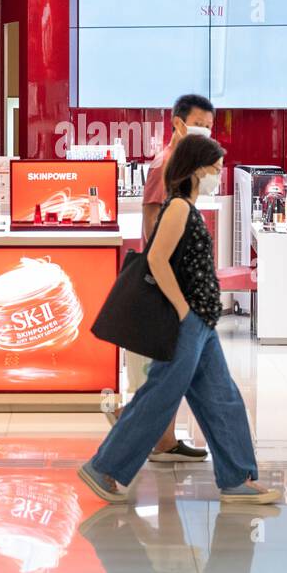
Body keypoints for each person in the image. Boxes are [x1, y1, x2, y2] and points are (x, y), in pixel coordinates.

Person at [79, 134, 282, 506]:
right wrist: (183, 309)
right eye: (214, 169)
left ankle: (238, 477)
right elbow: (157, 260)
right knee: (159, 396)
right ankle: (105, 467)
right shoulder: (178, 209)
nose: (218, 177)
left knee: (223, 399)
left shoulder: (185, 208)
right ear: (195, 169)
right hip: (188, 320)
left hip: (201, 322)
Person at [106, 93, 216, 464]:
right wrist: (170, 272)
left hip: (173, 278)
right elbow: (154, 223)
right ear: (179, 124)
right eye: (201, 125)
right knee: (159, 366)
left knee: (168, 363)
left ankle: (164, 439)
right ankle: (127, 427)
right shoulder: (165, 165)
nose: (206, 133)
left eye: (211, 128)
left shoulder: (181, 166)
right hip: (161, 280)